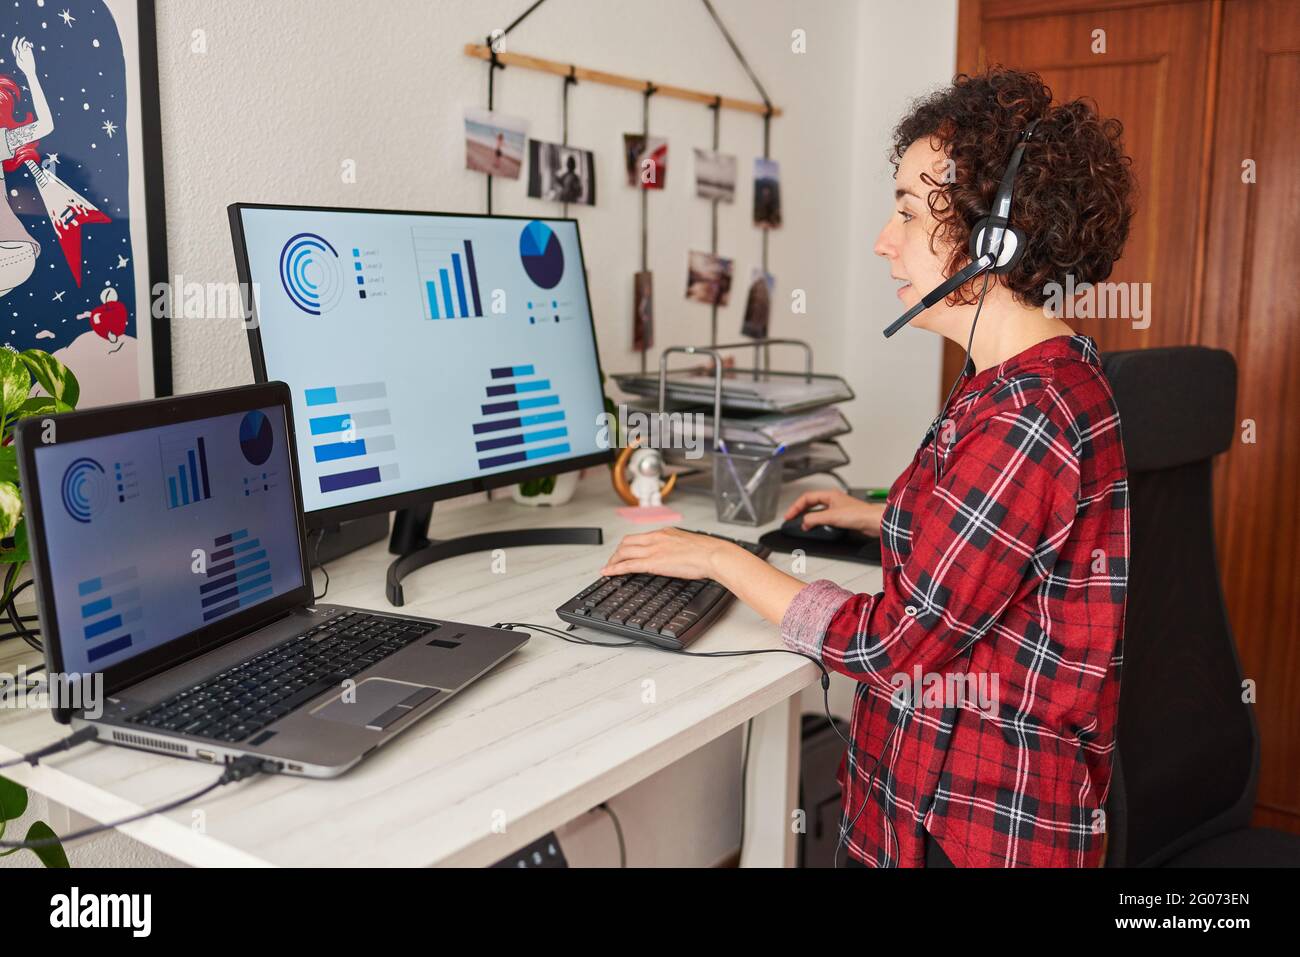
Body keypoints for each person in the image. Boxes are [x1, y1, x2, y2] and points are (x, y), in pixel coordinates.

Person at [600, 68, 1134, 867]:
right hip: (940, 804)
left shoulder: (1026, 415)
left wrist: (723, 558)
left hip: (971, 830)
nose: (886, 239)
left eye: (910, 213)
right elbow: (1002, 550)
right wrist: (876, 516)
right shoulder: (1038, 377)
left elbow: (897, 644)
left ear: (993, 241)